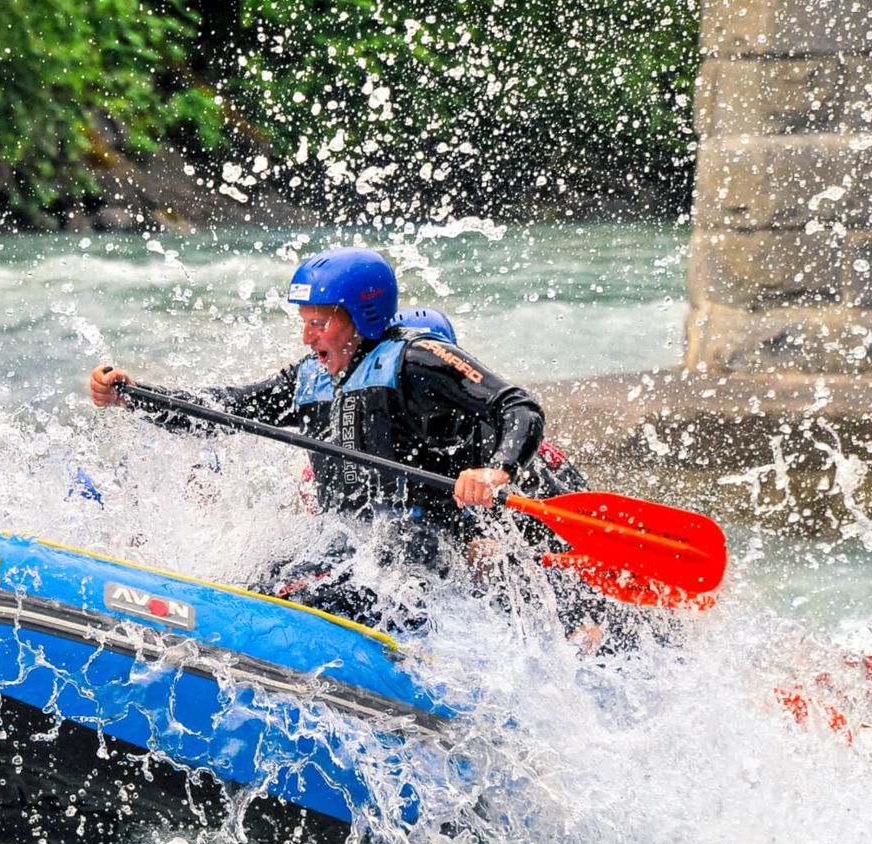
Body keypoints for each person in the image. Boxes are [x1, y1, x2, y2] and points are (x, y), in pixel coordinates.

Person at [89, 248, 588, 626]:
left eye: (320, 323)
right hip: (351, 543)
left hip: (417, 547)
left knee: (317, 587)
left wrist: (496, 470)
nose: (307, 337)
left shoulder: (416, 359)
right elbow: (229, 409)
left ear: (363, 316)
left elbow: (516, 405)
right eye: (304, 323)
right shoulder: (311, 375)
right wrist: (138, 396)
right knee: (263, 580)